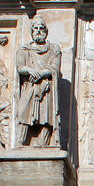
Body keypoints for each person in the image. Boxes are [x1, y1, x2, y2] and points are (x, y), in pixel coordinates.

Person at [15, 17, 61, 147]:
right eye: (35, 28)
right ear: (31, 31)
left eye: (41, 28)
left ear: (46, 31)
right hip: (29, 85)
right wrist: (30, 70)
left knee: (46, 117)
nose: (38, 31)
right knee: (24, 112)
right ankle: (20, 142)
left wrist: (41, 73)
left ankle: (43, 144)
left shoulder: (54, 49)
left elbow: (55, 67)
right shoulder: (24, 49)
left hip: (46, 86)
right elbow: (20, 67)